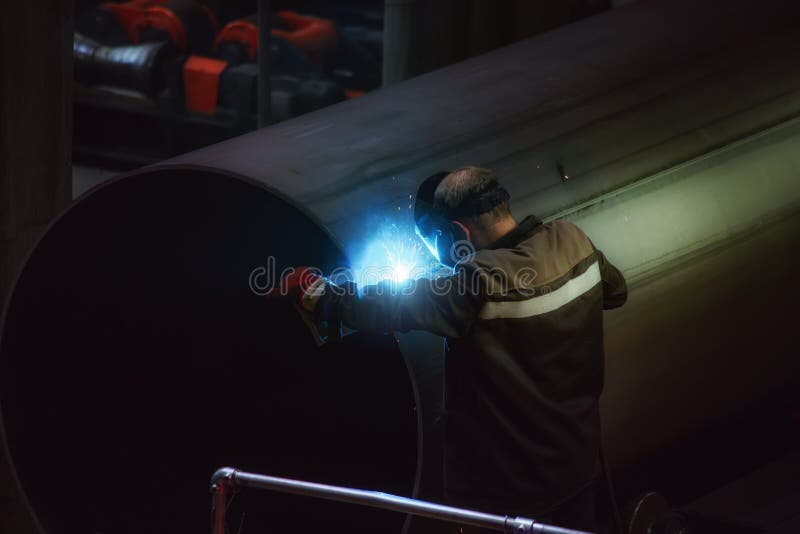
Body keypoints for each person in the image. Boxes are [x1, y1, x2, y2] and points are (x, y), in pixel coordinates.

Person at [274, 166, 627, 531]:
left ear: (457, 231)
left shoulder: (478, 280)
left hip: (509, 490)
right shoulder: (572, 239)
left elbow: (389, 306)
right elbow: (616, 292)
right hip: (577, 462)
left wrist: (316, 293)